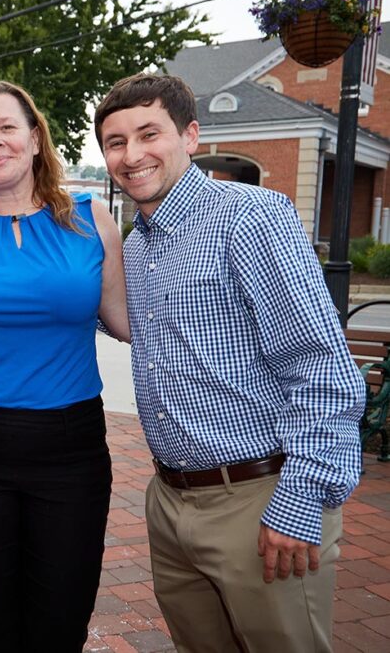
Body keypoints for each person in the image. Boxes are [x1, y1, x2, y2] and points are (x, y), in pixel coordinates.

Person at [94, 73, 364, 652]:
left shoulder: (250, 216)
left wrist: (299, 500)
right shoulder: (135, 244)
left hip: (259, 496)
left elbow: (322, 368)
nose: (132, 155)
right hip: (170, 500)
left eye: (149, 134)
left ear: (189, 135)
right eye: (115, 143)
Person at [0, 81, 129, 652]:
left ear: (36, 138)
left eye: (8, 127)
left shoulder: (93, 222)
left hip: (72, 449)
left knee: (60, 619)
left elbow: (130, 323)